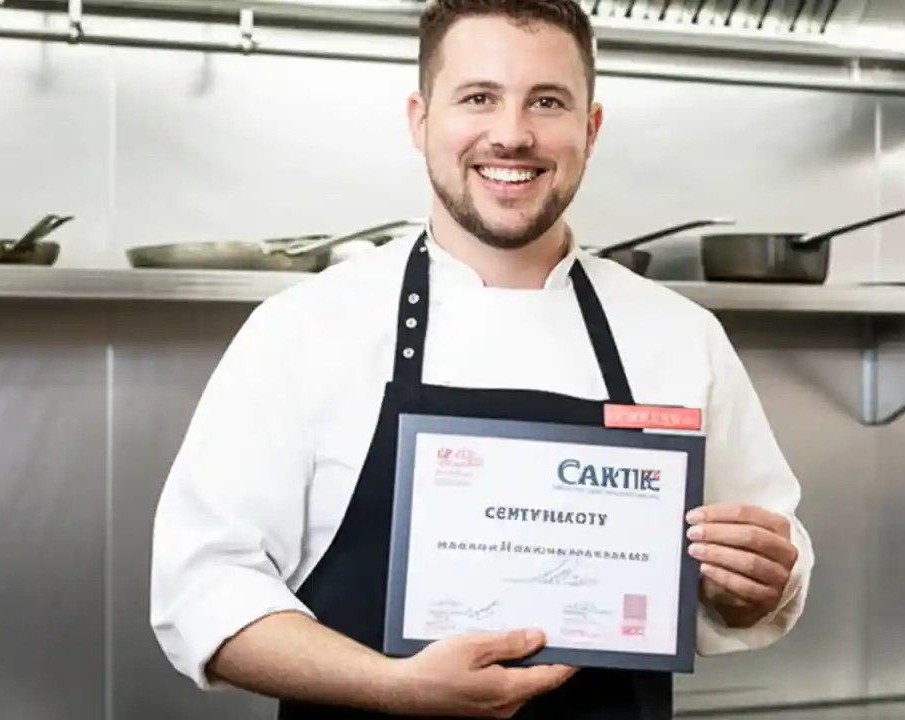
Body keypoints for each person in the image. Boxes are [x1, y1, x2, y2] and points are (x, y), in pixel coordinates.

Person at [149, 0, 815, 717]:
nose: (512, 134)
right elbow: (202, 592)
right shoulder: (305, 330)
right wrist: (393, 687)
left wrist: (750, 585)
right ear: (419, 120)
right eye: (478, 98)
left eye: (548, 102)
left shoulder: (681, 338)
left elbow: (759, 577)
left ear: (590, 130)